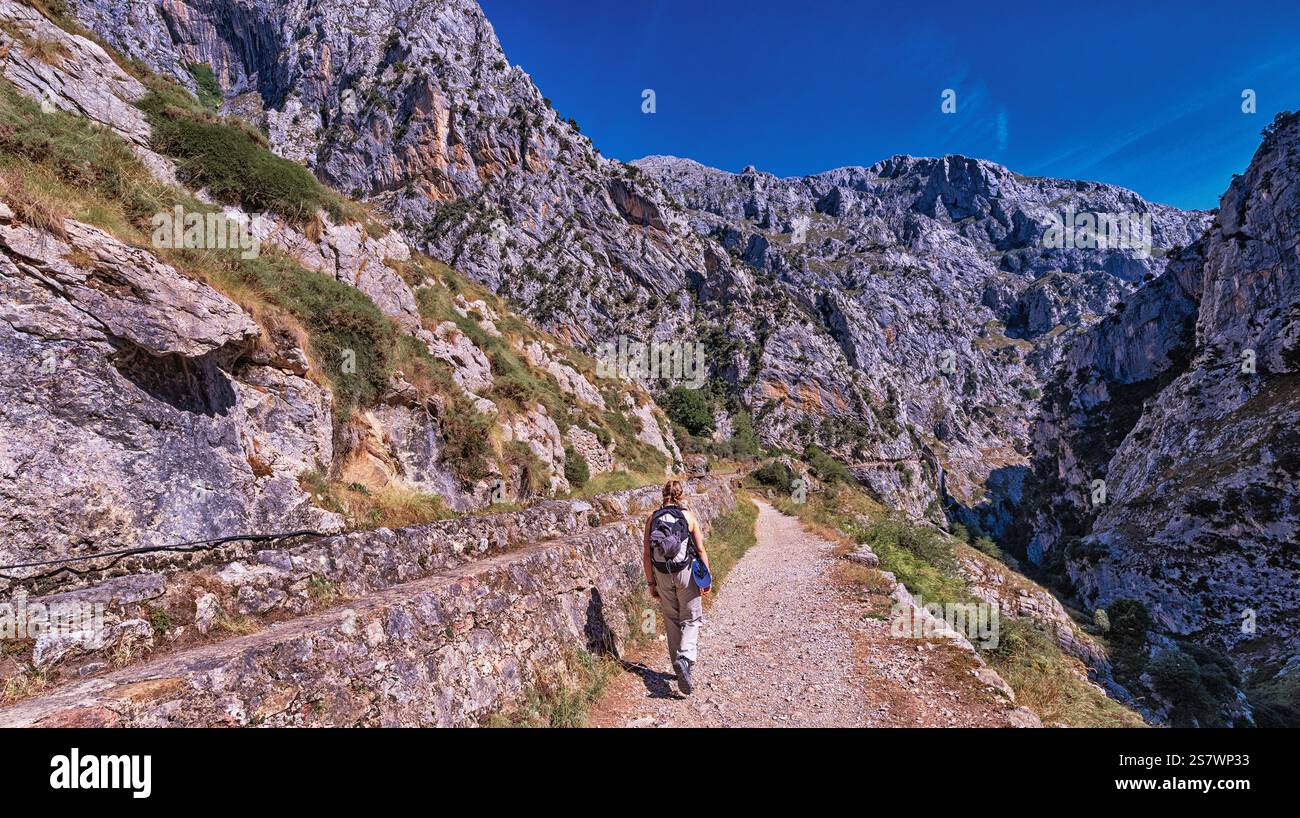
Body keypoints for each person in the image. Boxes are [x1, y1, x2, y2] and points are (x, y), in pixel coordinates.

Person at [642, 479, 711, 695]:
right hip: (685, 572)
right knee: (691, 618)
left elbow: (646, 554)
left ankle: (677, 665)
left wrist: (651, 583)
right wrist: (706, 578)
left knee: (671, 619)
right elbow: (700, 549)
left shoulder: (652, 518)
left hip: (662, 574)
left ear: (663, 495)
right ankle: (686, 657)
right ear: (680, 496)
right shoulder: (688, 516)